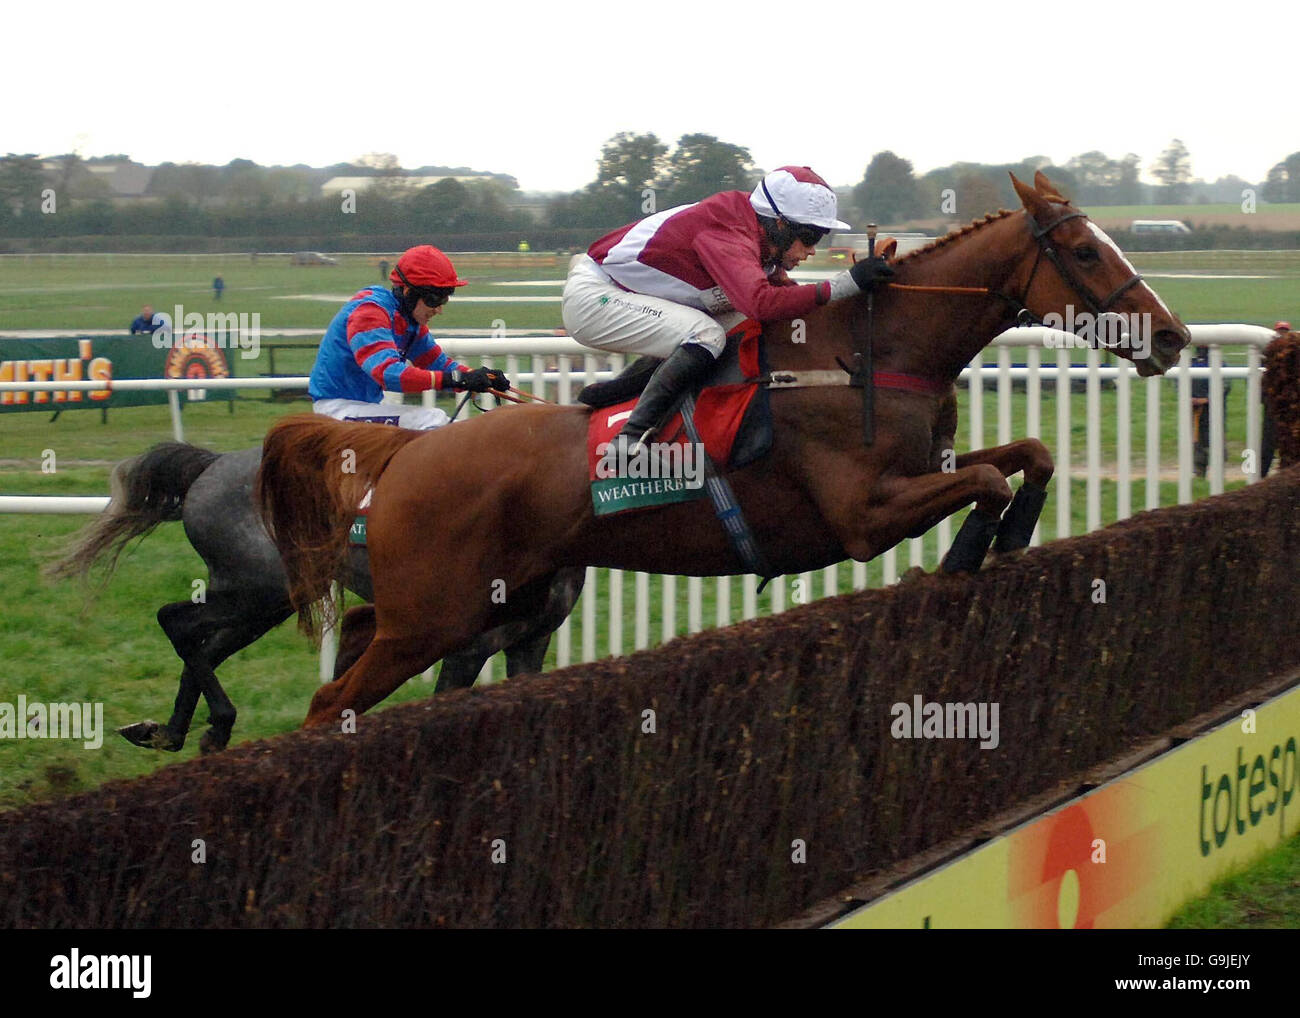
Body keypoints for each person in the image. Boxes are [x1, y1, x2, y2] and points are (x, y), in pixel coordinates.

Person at [561, 165, 893, 453]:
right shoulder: (727, 232)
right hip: (595, 297)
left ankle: (615, 393)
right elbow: (762, 303)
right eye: (808, 237)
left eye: (820, 238)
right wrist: (846, 283)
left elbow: (790, 300)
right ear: (777, 224)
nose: (810, 251)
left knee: (728, 325)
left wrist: (853, 298)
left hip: (622, 292)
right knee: (706, 334)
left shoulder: (755, 231)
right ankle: (630, 438)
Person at [308, 244, 507, 429]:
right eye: (433, 300)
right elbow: (388, 374)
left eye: (444, 300)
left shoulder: (410, 321)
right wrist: (457, 379)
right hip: (336, 411)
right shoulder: (369, 313)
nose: (438, 309)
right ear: (408, 292)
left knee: (445, 428)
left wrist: (480, 376)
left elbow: (438, 364)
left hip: (366, 407)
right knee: (432, 420)